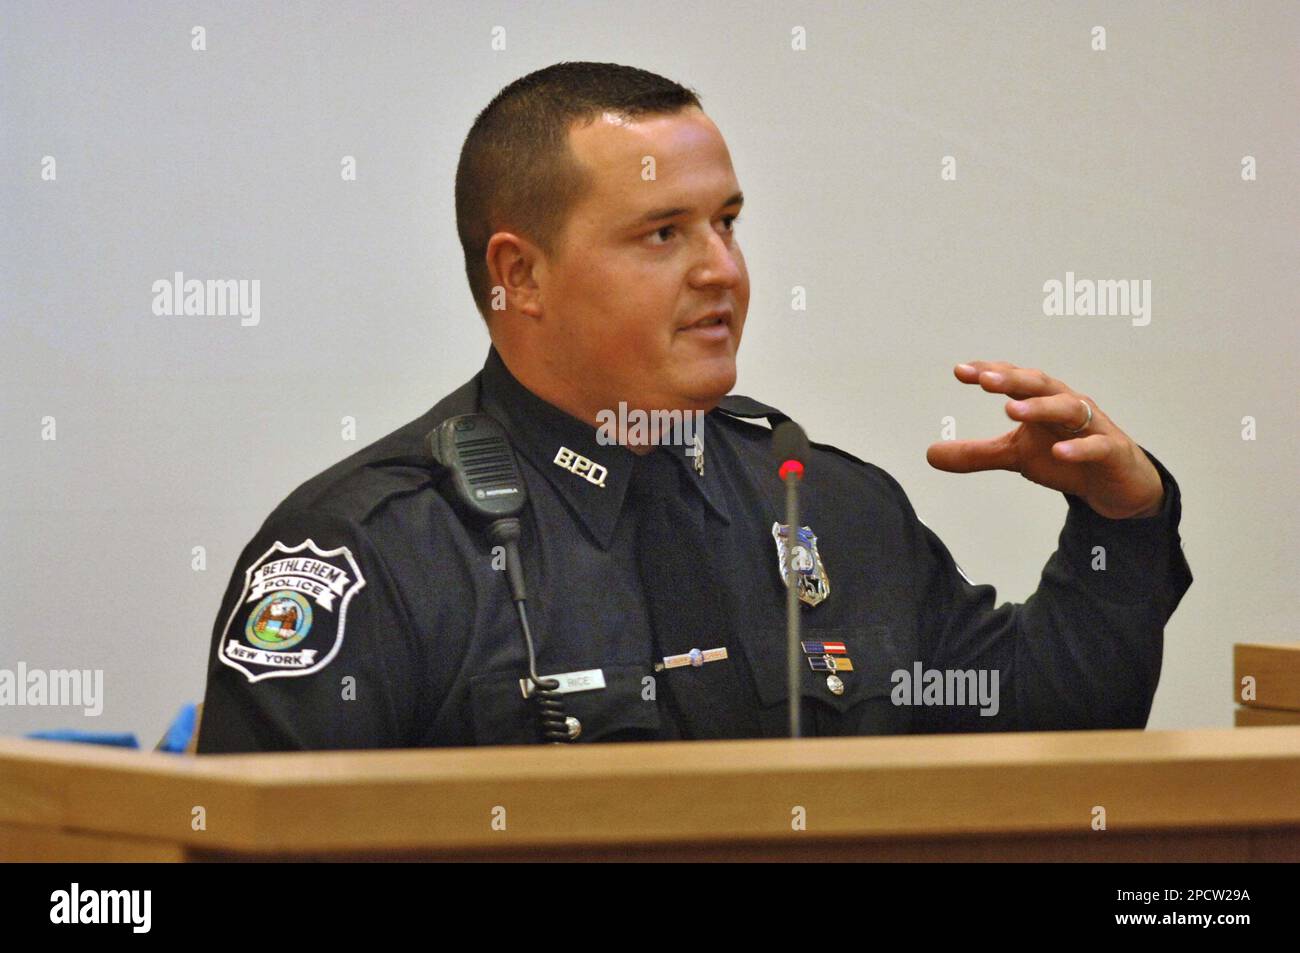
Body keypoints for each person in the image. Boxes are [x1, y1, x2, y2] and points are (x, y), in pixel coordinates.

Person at [196, 62, 1191, 753]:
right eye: (663, 233)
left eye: (726, 222)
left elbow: (1041, 738)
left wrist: (1119, 520)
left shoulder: (823, 504)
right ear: (522, 275)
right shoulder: (375, 553)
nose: (723, 270)